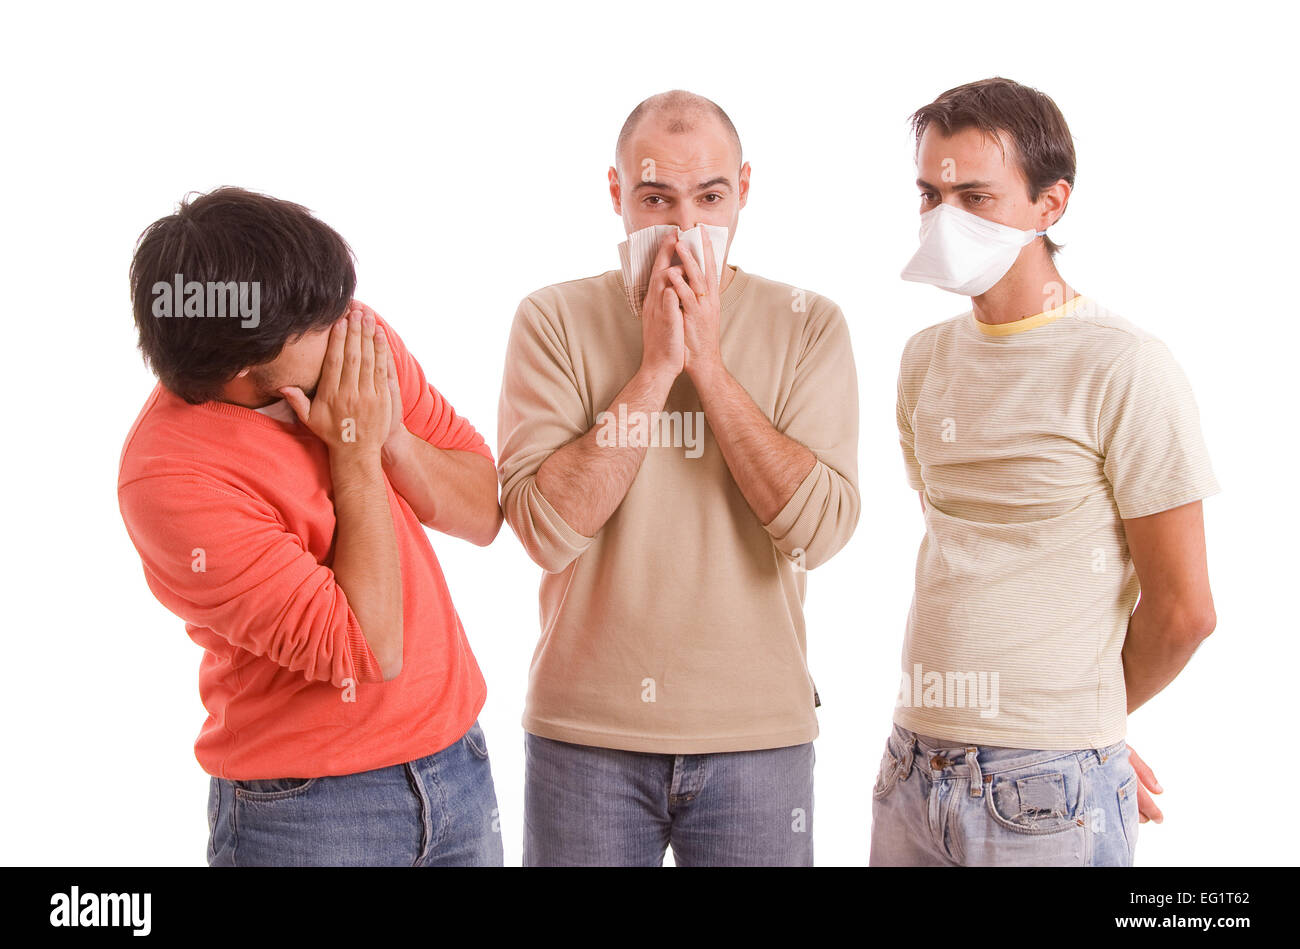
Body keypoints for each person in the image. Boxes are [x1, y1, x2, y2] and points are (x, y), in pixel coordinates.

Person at [497, 90, 860, 866]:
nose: (687, 227)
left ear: (746, 189)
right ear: (616, 194)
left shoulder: (810, 322)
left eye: (711, 197)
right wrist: (658, 366)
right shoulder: (552, 318)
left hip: (757, 735)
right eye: (657, 198)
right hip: (584, 733)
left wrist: (711, 367)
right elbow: (544, 528)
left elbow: (822, 531)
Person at [871, 77, 1219, 866]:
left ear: (1050, 204)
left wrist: (1075, 732)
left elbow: (1186, 609)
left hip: (1046, 785)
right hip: (910, 765)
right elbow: (963, 545)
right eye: (930, 193)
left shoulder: (1124, 365)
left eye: (974, 197)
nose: (942, 218)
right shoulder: (924, 360)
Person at [118, 187, 504, 866]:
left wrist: (394, 443)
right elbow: (369, 648)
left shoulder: (352, 339)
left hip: (457, 763)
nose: (351, 326)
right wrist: (353, 451)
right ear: (241, 366)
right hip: (308, 812)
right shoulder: (170, 479)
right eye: (321, 323)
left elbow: (483, 510)